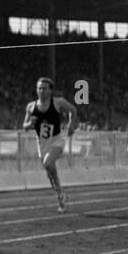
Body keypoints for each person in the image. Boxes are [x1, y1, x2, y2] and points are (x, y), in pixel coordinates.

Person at [22, 77, 77, 212]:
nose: (41, 91)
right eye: (39, 88)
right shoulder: (31, 106)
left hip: (56, 140)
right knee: (50, 174)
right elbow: (24, 126)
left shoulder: (58, 102)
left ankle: (59, 192)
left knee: (48, 163)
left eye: (44, 88)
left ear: (50, 91)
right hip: (41, 143)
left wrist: (71, 125)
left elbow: (73, 110)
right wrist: (30, 124)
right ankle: (60, 195)